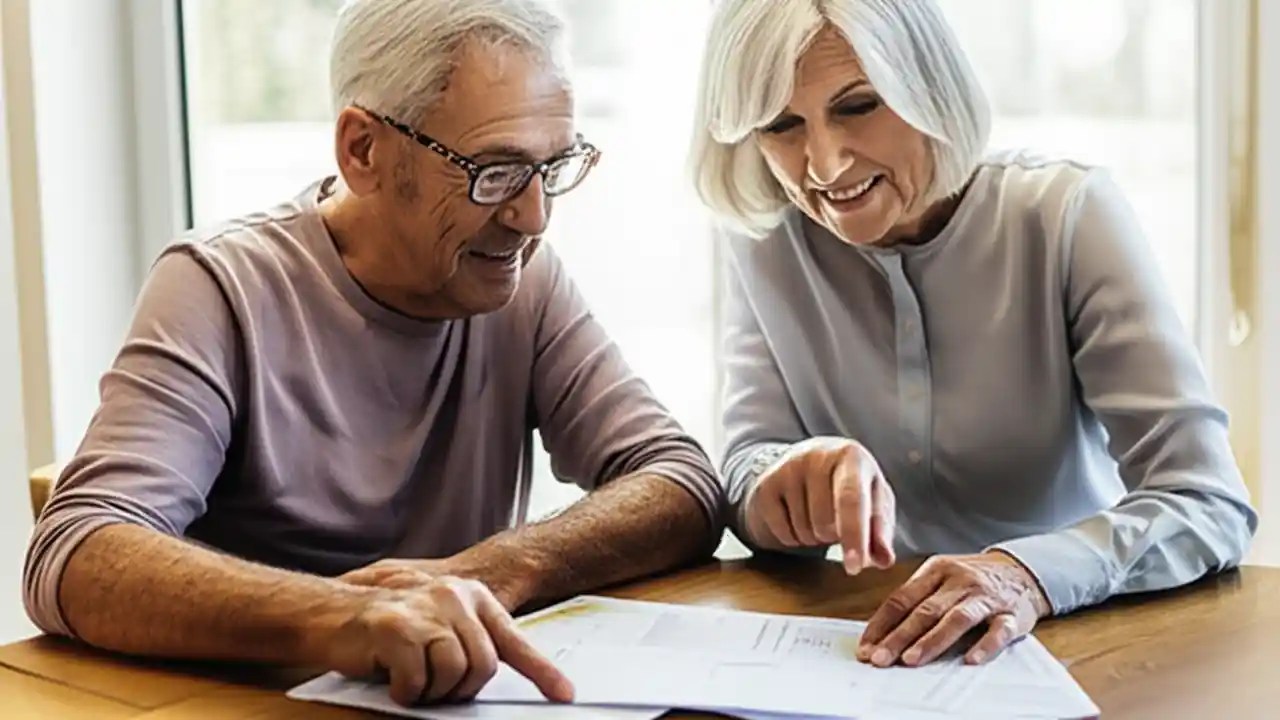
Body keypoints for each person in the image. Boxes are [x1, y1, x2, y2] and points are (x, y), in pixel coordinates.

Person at [24, 0, 724, 707]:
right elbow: (77, 551)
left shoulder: (523, 281)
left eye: (555, 165)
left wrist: (495, 569)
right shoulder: (220, 286)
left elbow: (683, 483)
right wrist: (345, 617)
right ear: (363, 151)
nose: (533, 216)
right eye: (495, 171)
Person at [690, 0, 1255, 670]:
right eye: (782, 124)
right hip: (871, 649)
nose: (825, 165)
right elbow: (748, 466)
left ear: (924, 85)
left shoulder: (1064, 215)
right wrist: (778, 487)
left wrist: (1026, 573)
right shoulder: (763, 244)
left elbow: (1206, 501)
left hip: (1078, 640)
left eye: (858, 105)